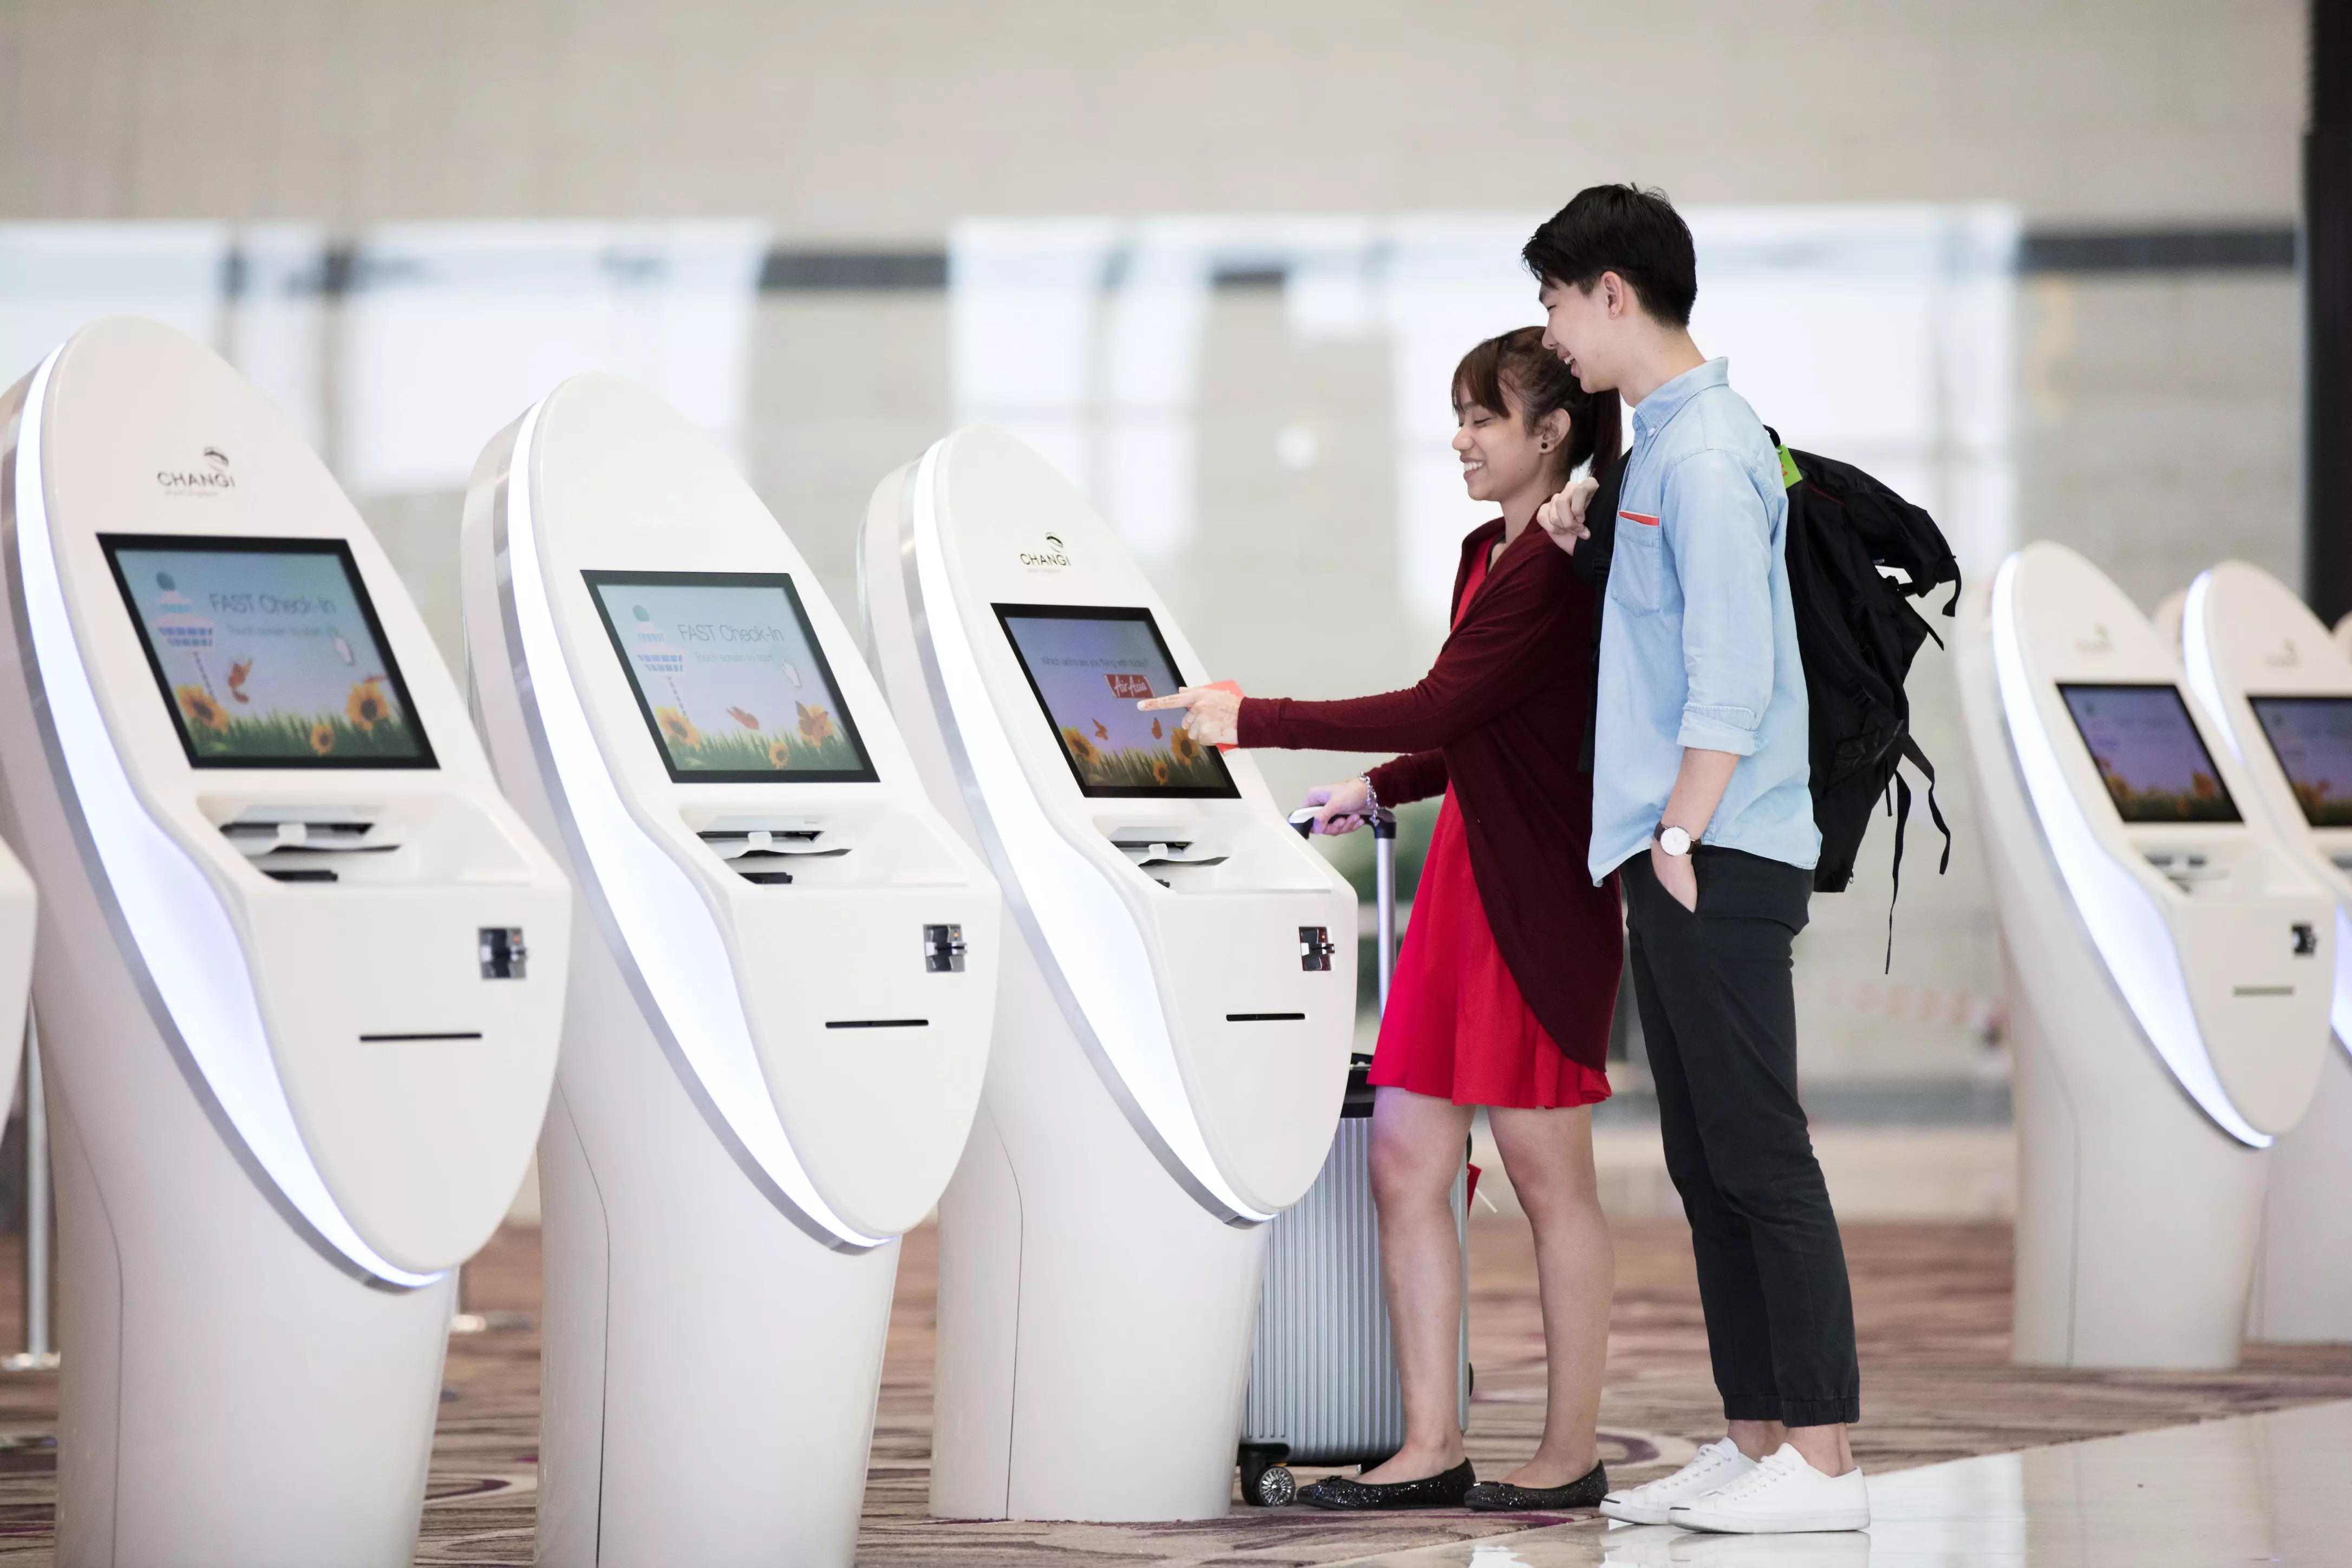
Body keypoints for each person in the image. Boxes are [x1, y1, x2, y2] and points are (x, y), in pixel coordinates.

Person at [1142, 326, 1624, 1514]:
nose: (1459, 439)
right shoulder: (1489, 553)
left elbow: (1445, 697)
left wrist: (1252, 717)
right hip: (1467, 882)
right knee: (1407, 1159)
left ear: (1551, 431)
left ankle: (1568, 1453)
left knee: (1548, 1178)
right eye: (1459, 416)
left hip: (1533, 899)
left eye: (1483, 417)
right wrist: (1386, 784)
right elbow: (1475, 727)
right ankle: (1428, 1441)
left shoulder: (1558, 572)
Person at [1526, 184, 1869, 1537]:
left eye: (1558, 301)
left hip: (1711, 846)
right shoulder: (1660, 447)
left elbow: (1731, 671)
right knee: (1706, 1155)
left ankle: (1827, 1461)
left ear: (1615, 290)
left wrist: (1679, 830)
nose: (1552, 332)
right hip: (1674, 847)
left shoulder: (1710, 452)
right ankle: (1757, 1438)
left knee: (1761, 1153)